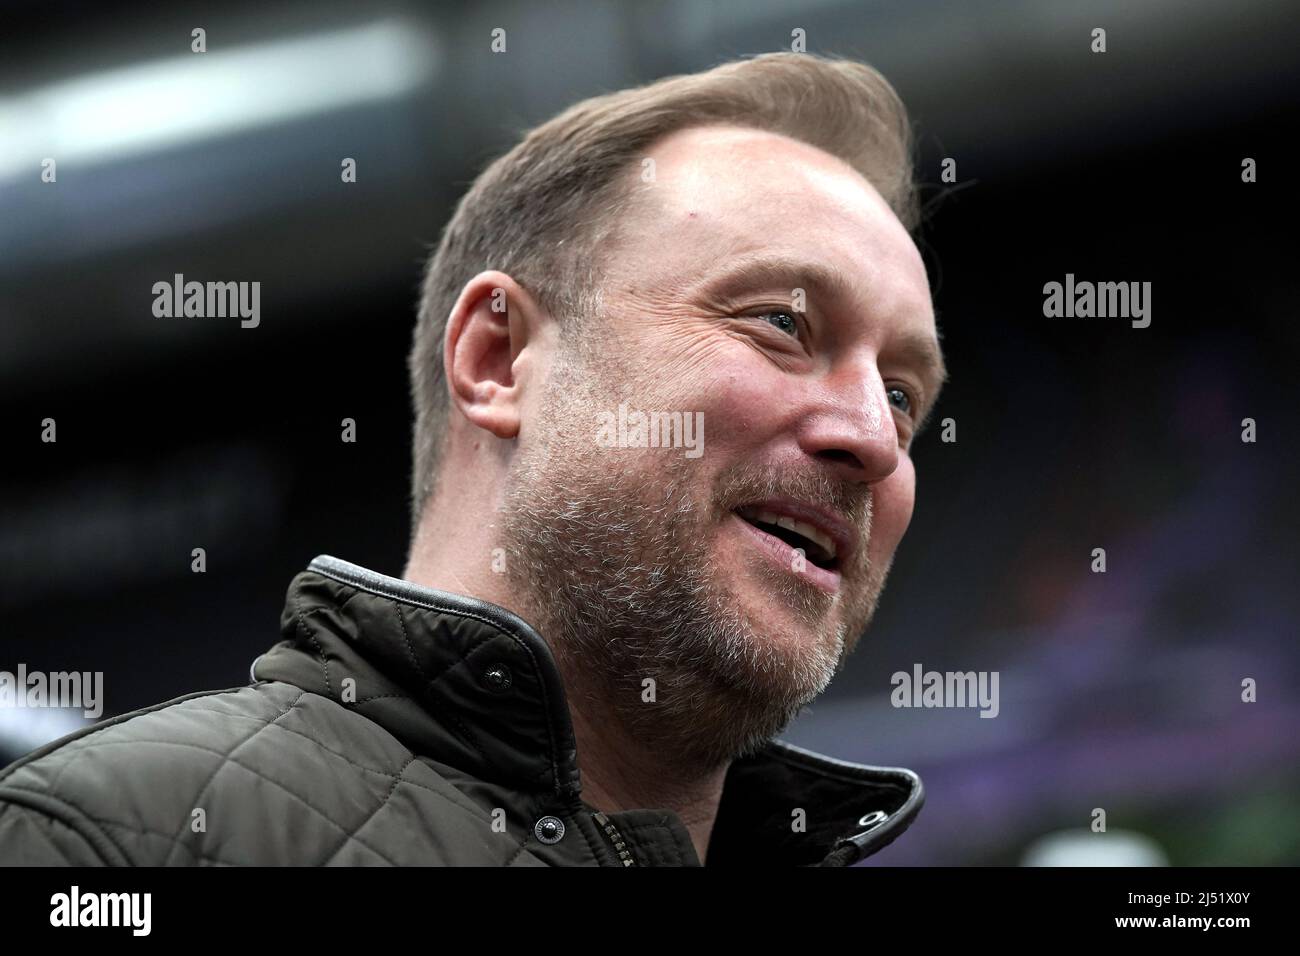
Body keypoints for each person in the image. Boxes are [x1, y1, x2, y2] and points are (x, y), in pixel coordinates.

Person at [0, 51, 943, 866]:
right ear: (498, 361)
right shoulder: (109, 841)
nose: (869, 435)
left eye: (904, 397)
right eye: (781, 323)